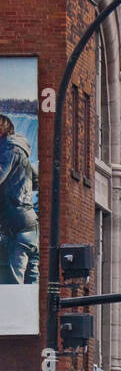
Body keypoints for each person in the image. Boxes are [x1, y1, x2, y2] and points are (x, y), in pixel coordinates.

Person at [0, 113, 39, 285]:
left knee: (13, 286)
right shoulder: (21, 151)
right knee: (32, 288)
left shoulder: (8, 148)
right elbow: (37, 181)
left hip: (16, 226)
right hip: (31, 226)